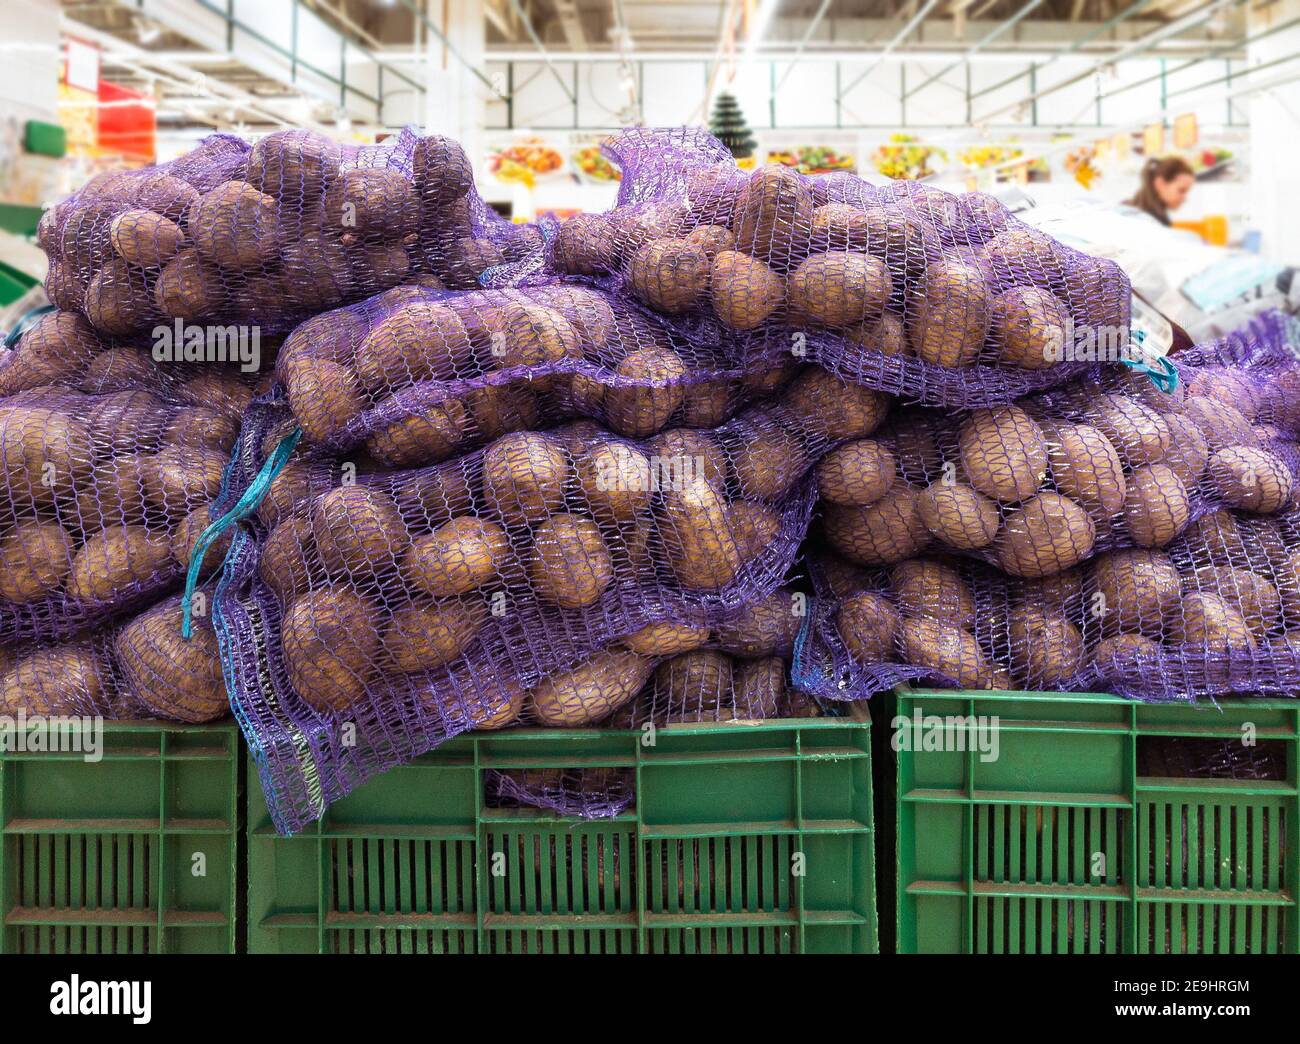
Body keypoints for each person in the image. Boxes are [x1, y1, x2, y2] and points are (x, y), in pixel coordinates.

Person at [1127, 156, 1195, 226]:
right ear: (1160, 184)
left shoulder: (1126, 207)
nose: (1185, 198)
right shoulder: (1154, 223)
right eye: (1181, 190)